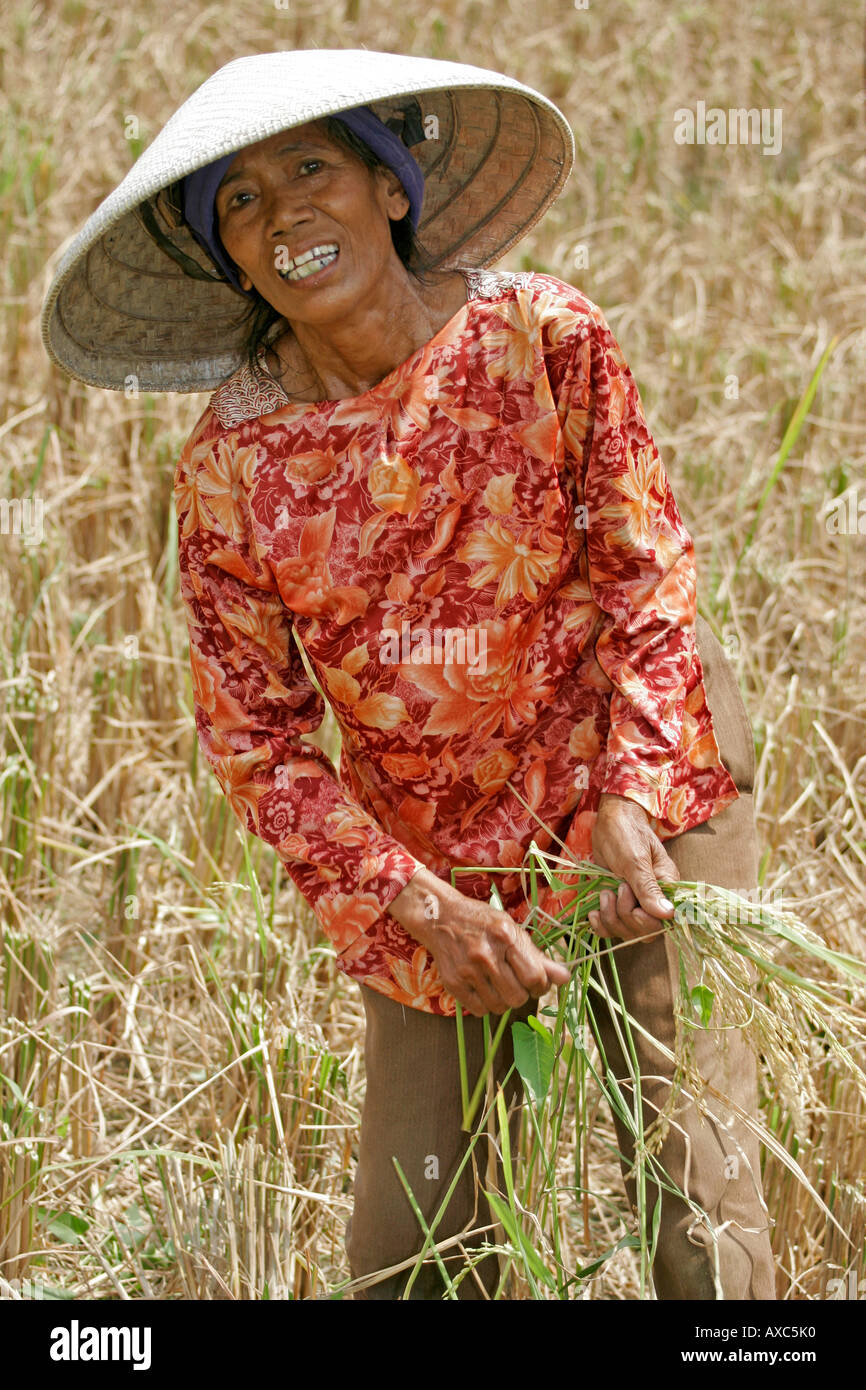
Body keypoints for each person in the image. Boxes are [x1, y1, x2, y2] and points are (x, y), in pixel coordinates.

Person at [41, 49, 776, 1300]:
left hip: (635, 771)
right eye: (240, 202)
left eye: (311, 169)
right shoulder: (233, 463)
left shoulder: (543, 334)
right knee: (414, 1251)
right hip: (429, 847)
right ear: (232, 259)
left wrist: (634, 794)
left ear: (390, 189)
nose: (283, 215)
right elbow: (256, 740)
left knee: (695, 1194)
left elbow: (647, 567)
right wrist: (422, 905)